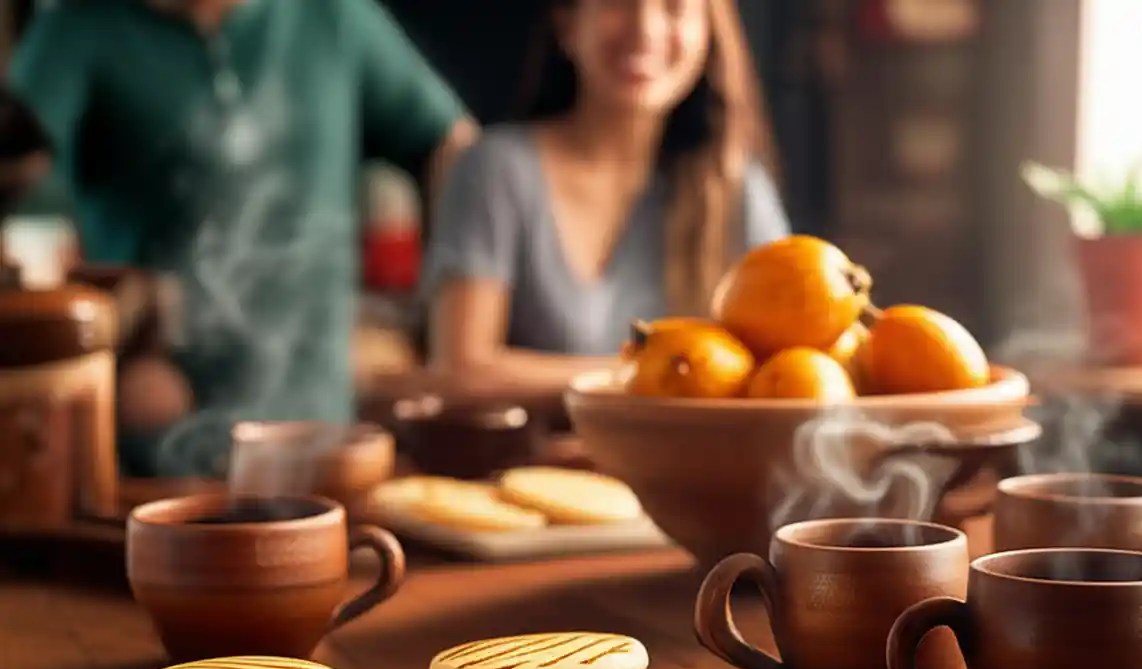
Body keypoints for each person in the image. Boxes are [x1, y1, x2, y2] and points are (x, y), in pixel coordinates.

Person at [3, 0, 476, 476]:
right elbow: (18, 194)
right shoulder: (76, 30)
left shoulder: (332, 15)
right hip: (157, 432)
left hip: (317, 422)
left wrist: (443, 313)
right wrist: (117, 349)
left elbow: (453, 148)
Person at [424, 0, 789, 396]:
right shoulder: (494, 170)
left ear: (708, 35)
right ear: (567, 24)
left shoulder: (735, 188)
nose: (645, 30)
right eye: (618, 3)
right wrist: (661, 375)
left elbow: (783, 361)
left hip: (699, 458)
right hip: (527, 456)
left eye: (675, 7)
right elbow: (461, 368)